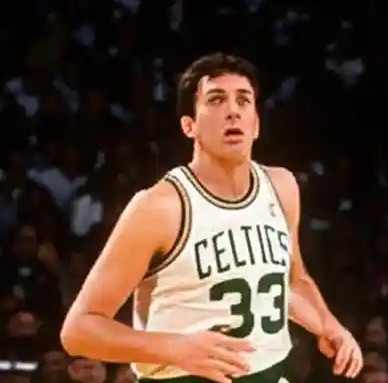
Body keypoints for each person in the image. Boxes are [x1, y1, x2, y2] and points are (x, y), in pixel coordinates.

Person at [61, 53, 364, 383]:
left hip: (269, 374)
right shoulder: (160, 206)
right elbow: (79, 330)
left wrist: (330, 326)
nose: (233, 110)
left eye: (243, 100)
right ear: (188, 125)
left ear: (257, 124)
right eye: (216, 100)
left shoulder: (282, 186)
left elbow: (292, 281)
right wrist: (175, 348)